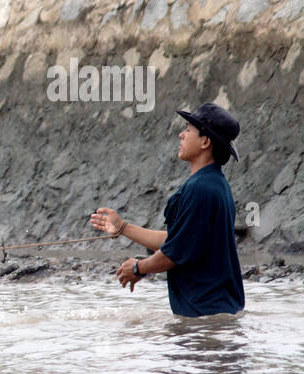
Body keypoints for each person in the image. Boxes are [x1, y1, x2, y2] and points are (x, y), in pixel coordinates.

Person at [90, 102, 245, 316]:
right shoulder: (215, 184)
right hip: (214, 315)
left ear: (205, 142)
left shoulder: (200, 189)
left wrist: (138, 268)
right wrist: (122, 227)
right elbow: (178, 241)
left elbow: (173, 255)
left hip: (204, 316)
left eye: (188, 130)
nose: (181, 135)